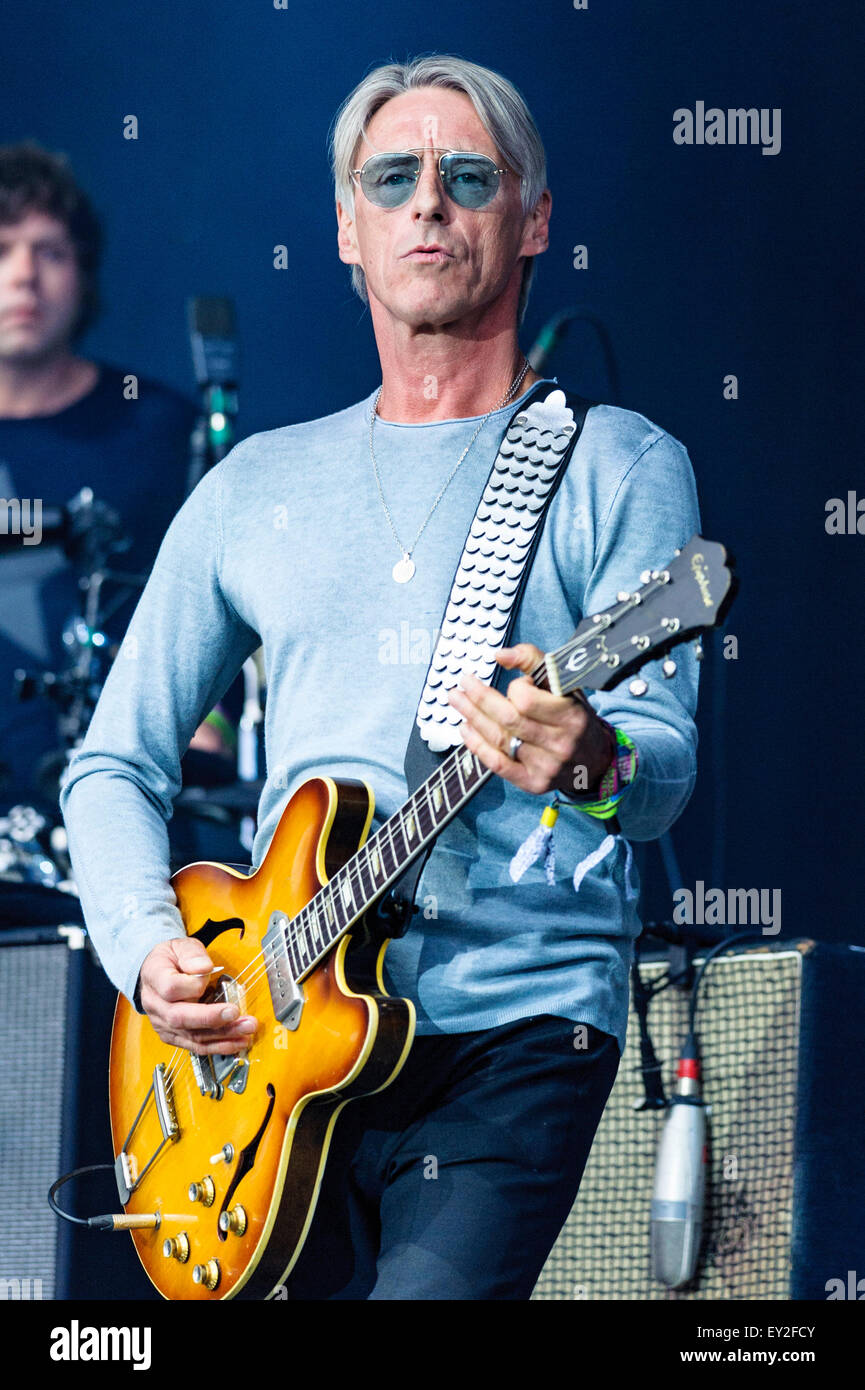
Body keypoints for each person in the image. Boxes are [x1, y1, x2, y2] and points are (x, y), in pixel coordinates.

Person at [60, 55, 701, 1300]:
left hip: (514, 1031)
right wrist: (148, 949)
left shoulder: (616, 465)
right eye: (392, 178)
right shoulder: (256, 483)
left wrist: (594, 761)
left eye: (470, 178)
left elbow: (659, 762)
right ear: (345, 229)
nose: (429, 205)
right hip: (274, 1051)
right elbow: (114, 762)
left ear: (534, 219)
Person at [0, 143, 235, 816]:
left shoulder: (161, 427)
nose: (23, 277)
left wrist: (217, 716)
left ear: (84, 273)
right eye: (3, 249)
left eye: (48, 251)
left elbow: (241, 597)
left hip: (140, 812)